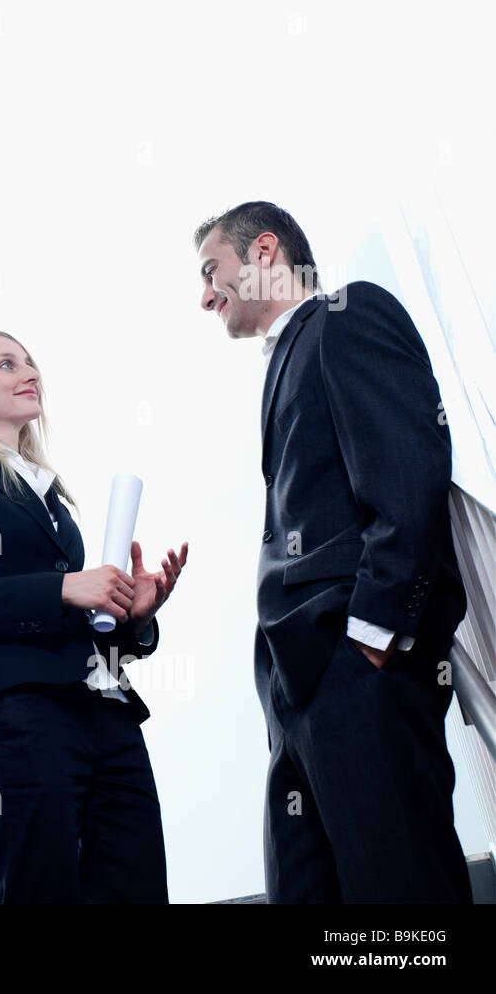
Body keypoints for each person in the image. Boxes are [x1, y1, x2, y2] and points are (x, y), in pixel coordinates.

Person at [194, 200, 471, 903]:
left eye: (210, 270)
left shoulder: (347, 316)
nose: (204, 296)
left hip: (356, 676)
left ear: (263, 251)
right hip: (299, 696)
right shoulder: (287, 355)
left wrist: (372, 637)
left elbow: (407, 473)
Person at [0, 330, 187, 903]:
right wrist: (63, 588)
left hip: (110, 717)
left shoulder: (53, 499)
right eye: (7, 363)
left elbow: (78, 623)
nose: (29, 372)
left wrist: (136, 619)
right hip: (22, 715)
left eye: (29, 362)